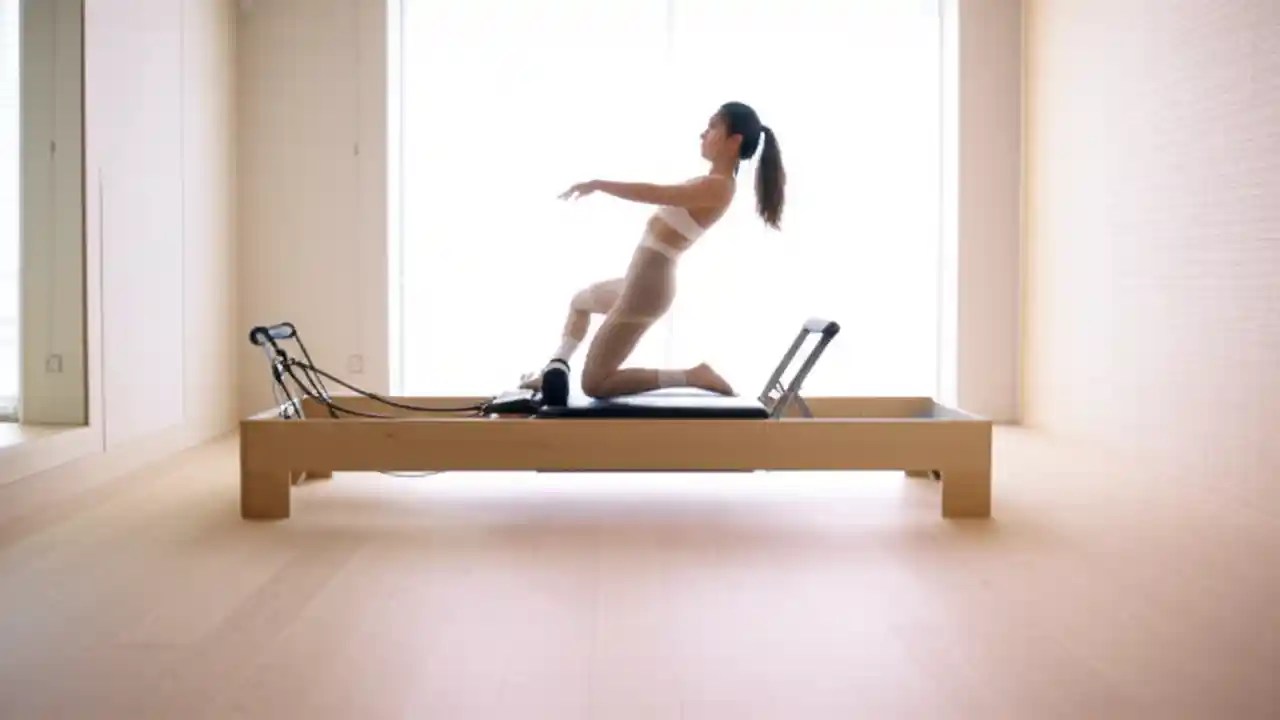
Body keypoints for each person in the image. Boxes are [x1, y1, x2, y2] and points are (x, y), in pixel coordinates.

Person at [521, 101, 786, 400]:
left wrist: (598, 184)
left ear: (734, 140)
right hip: (638, 283)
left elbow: (654, 193)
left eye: (713, 127)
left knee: (595, 384)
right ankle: (553, 369)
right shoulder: (707, 181)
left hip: (647, 290)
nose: (703, 133)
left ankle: (694, 375)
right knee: (579, 302)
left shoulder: (720, 187)